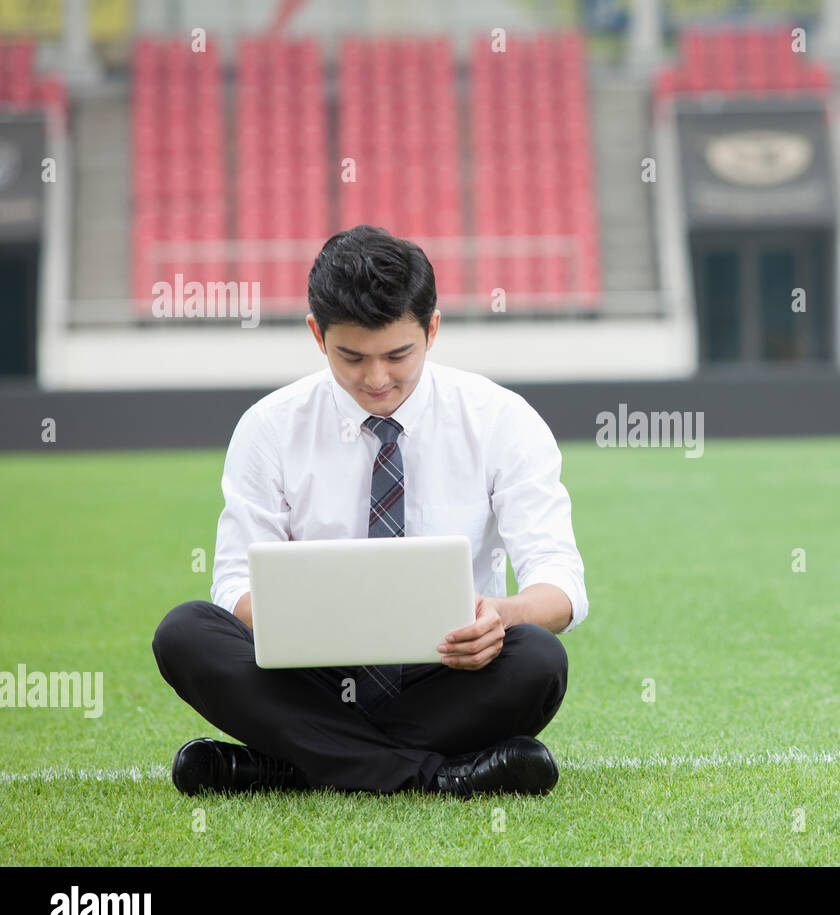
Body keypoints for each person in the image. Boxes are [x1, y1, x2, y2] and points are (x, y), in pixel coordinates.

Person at [152, 224, 588, 798]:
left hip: (448, 671)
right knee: (185, 632)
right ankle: (435, 777)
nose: (376, 379)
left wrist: (502, 615)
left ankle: (291, 766)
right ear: (317, 334)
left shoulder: (501, 419)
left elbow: (561, 584)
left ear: (432, 330)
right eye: (351, 357)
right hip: (310, 674)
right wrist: (302, 623)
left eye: (398, 355)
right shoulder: (269, 427)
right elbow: (232, 583)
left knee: (538, 659)